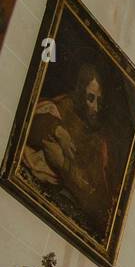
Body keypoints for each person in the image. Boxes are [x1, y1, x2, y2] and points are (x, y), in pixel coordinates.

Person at [21, 62, 113, 233]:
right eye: (90, 98)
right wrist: (56, 129)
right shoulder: (62, 106)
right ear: (79, 93)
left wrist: (63, 164)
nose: (95, 108)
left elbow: (96, 199)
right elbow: (29, 122)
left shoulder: (97, 144)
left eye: (99, 101)